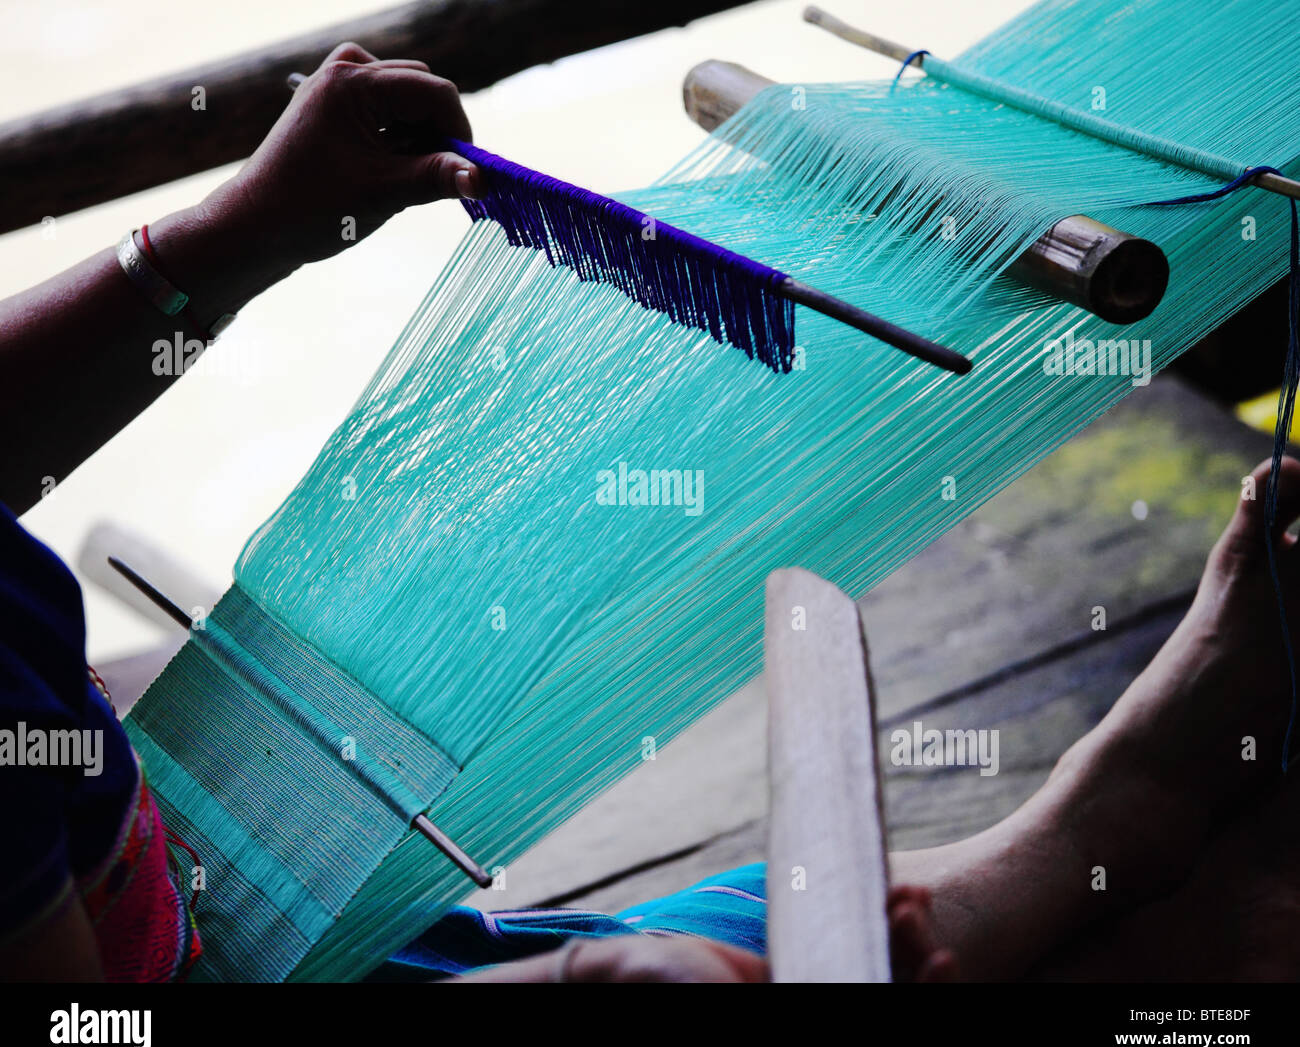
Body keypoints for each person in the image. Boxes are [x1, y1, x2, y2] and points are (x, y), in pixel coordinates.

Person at [1, 46, 1296, 984]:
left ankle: (1113, 810)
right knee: (822, 946)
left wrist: (232, 231)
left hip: (166, 894)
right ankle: (1127, 803)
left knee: (777, 912)